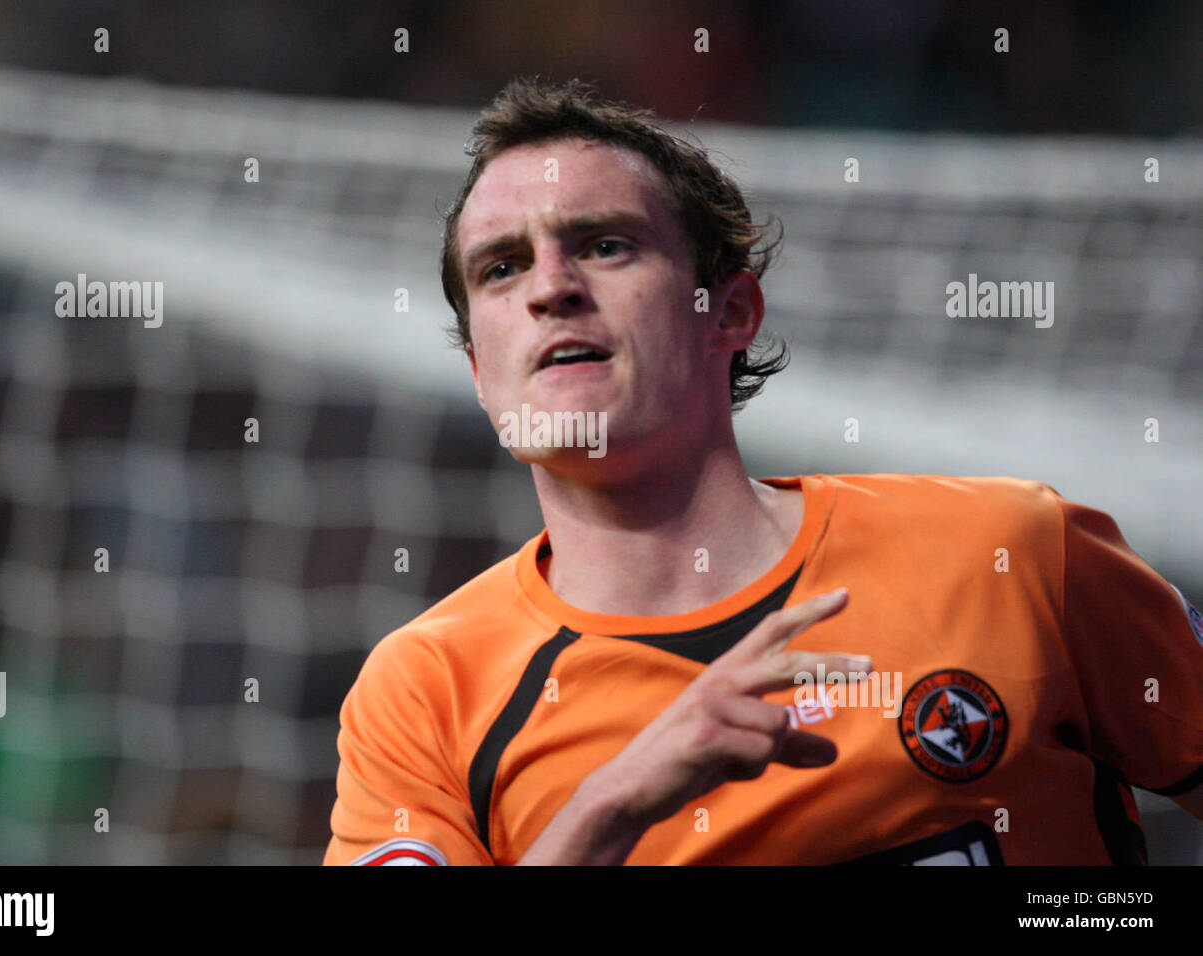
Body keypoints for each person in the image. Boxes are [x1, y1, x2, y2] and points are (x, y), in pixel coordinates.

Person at [324, 76, 1203, 866]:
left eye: (605, 245)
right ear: (480, 372)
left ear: (730, 312)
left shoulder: (1013, 553)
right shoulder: (424, 693)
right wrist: (609, 807)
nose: (550, 287)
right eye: (502, 267)